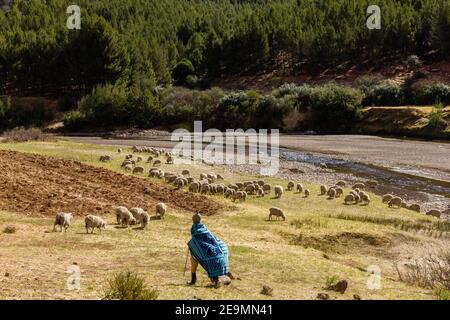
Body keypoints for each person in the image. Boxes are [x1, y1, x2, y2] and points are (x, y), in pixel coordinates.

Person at [187, 212, 236, 288]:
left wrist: (191, 245)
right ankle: (223, 277)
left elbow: (196, 240)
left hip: (206, 251)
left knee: (194, 256)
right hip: (217, 249)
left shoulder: (194, 229)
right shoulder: (204, 228)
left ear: (193, 220)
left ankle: (196, 279)